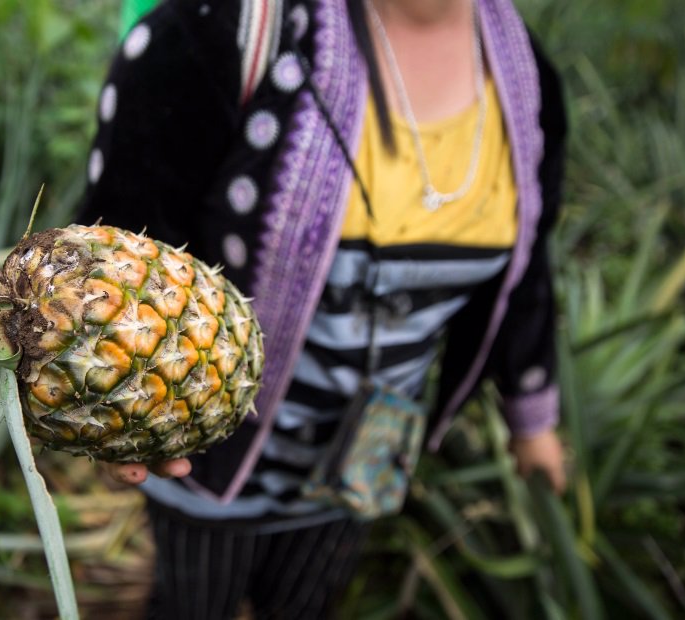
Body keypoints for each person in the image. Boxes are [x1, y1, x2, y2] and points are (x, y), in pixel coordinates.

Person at [77, 0, 567, 616]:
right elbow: (117, 256)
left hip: (366, 456)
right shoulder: (221, 29)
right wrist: (107, 409)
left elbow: (529, 265)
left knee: (309, 604)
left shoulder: (527, 78)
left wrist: (533, 416)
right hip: (209, 453)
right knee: (191, 603)